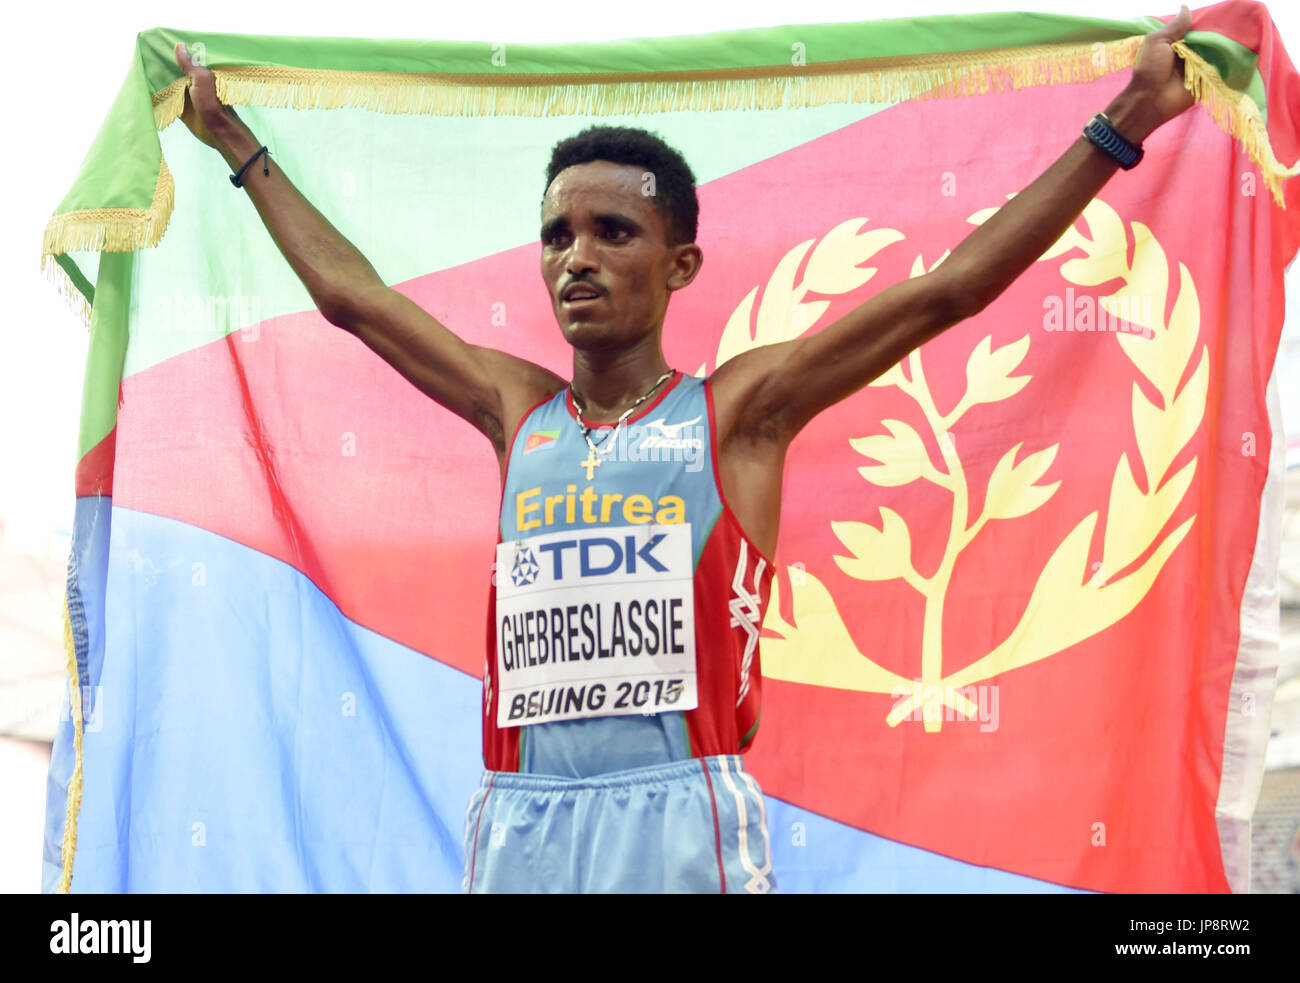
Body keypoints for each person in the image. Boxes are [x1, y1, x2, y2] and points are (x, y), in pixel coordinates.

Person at [171, 5, 1195, 893]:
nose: (576, 255)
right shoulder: (510, 407)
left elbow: (946, 291)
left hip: (676, 817)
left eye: (613, 230)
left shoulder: (740, 408)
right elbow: (354, 300)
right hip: (519, 810)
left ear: (681, 263)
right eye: (556, 234)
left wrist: (1121, 125)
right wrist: (230, 138)